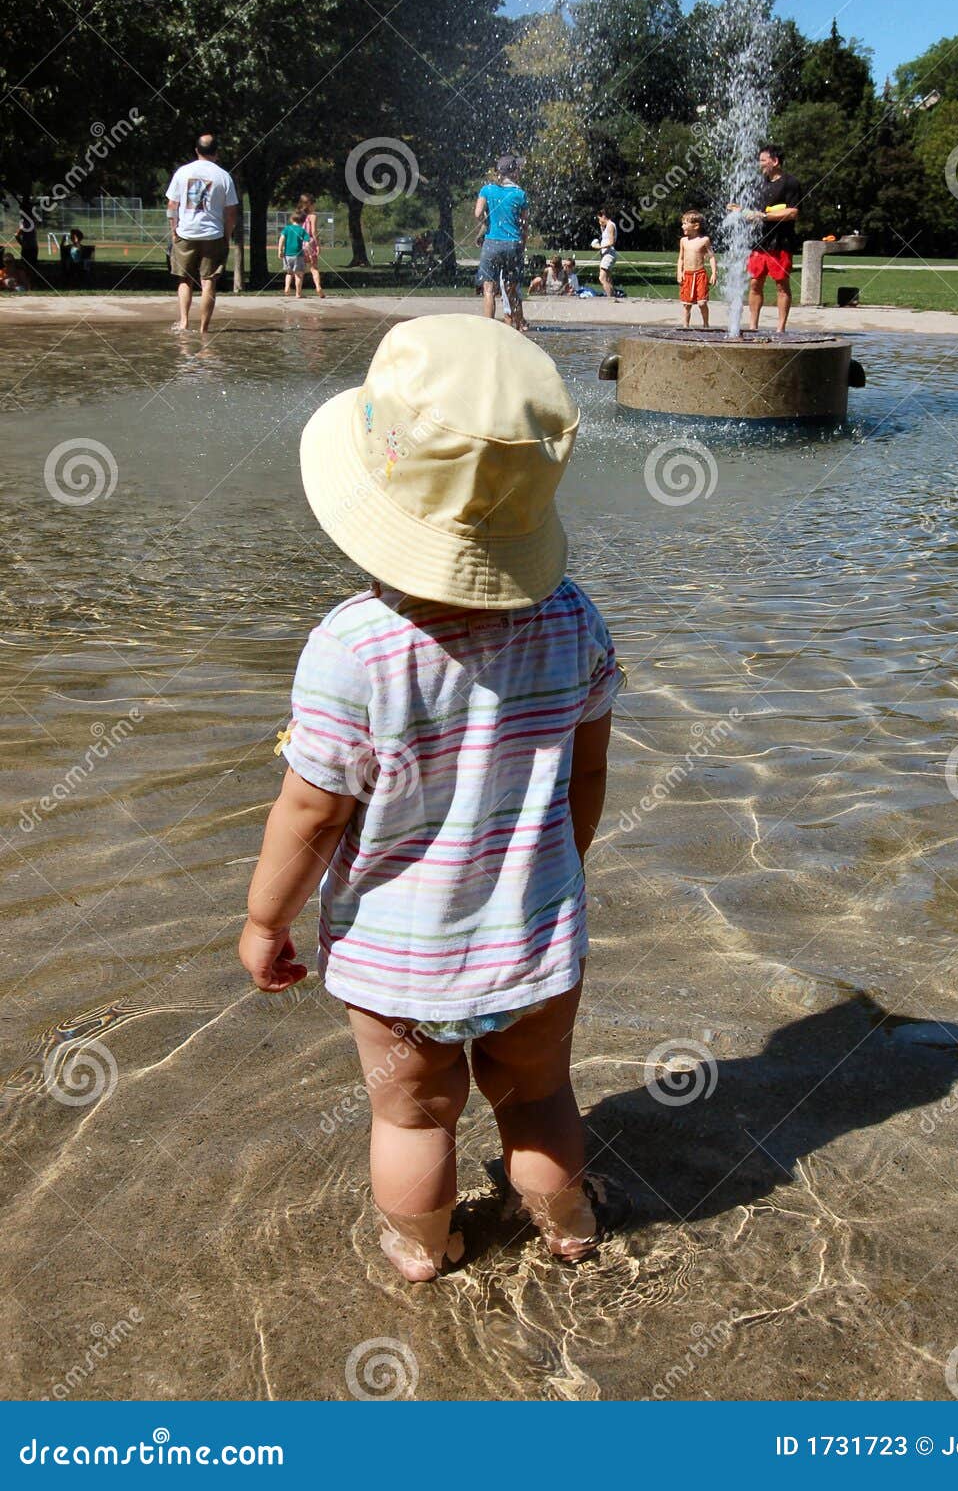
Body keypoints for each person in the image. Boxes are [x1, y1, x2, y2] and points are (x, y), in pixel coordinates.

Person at [238, 315, 622, 1284]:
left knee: (411, 1112)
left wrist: (262, 917)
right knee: (536, 1097)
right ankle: (567, 1221)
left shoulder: (353, 645)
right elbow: (584, 775)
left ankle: (423, 1248)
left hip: (396, 958)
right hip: (534, 936)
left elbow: (312, 812)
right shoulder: (574, 618)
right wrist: (558, 864)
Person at [165, 133, 239, 336]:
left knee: (184, 279)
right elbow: (231, 211)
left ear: (196, 150)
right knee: (208, 281)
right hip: (213, 234)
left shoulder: (182, 172)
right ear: (217, 152)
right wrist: (227, 234)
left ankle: (184, 322)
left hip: (186, 232)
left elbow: (172, 204)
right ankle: (203, 329)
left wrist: (174, 230)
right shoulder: (223, 176)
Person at [728, 144, 801, 335]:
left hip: (781, 243)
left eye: (763, 160)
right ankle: (753, 326)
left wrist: (764, 217)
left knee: (781, 284)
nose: (759, 164)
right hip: (759, 243)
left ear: (775, 161)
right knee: (754, 283)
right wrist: (740, 210)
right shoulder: (758, 183)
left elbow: (793, 212)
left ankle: (780, 328)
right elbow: (753, 211)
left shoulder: (790, 183)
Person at [474, 154, 528, 330]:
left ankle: (488, 328)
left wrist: (485, 223)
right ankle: (519, 328)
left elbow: (477, 213)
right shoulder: (520, 194)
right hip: (513, 244)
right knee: (512, 289)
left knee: (488, 289)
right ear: (513, 173)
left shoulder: (487, 190)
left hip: (492, 243)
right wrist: (522, 246)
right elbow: (524, 225)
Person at [676, 211, 717, 329]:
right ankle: (685, 326)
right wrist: (679, 272)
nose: (682, 226)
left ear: (696, 226)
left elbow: (712, 257)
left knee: (702, 303)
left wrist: (714, 272)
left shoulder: (704, 240)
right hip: (687, 275)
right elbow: (681, 259)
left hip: (700, 274)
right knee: (687, 304)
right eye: (682, 223)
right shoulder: (683, 241)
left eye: (685, 223)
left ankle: (706, 325)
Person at [297, 193, 326, 298]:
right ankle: (318, 287)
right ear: (311, 204)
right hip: (310, 242)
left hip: (300, 243)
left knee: (300, 269)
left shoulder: (298, 216)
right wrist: (317, 244)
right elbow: (313, 231)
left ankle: (298, 292)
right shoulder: (313, 216)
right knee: (314, 268)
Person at [277, 212, 312, 297]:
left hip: (287, 254)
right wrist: (308, 253)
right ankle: (298, 293)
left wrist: (280, 250)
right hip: (298, 255)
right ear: (302, 221)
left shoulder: (287, 228)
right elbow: (308, 242)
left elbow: (282, 239)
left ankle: (287, 288)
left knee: (289, 273)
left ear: (291, 219)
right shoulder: (302, 230)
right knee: (299, 274)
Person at [593, 210, 618, 297]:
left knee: (602, 278)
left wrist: (599, 247)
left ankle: (610, 298)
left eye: (599, 218)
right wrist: (602, 226)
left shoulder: (611, 225)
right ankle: (613, 296)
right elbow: (605, 237)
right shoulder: (607, 226)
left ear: (603, 216)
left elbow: (612, 242)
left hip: (609, 254)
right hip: (606, 254)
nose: (599, 220)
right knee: (608, 279)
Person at [15, 199, 38, 275]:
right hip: (29, 248)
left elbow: (17, 235)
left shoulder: (31, 220)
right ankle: (27, 281)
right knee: (27, 267)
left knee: (31, 267)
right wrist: (22, 244)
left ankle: (30, 282)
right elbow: (17, 235)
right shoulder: (24, 222)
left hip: (32, 247)